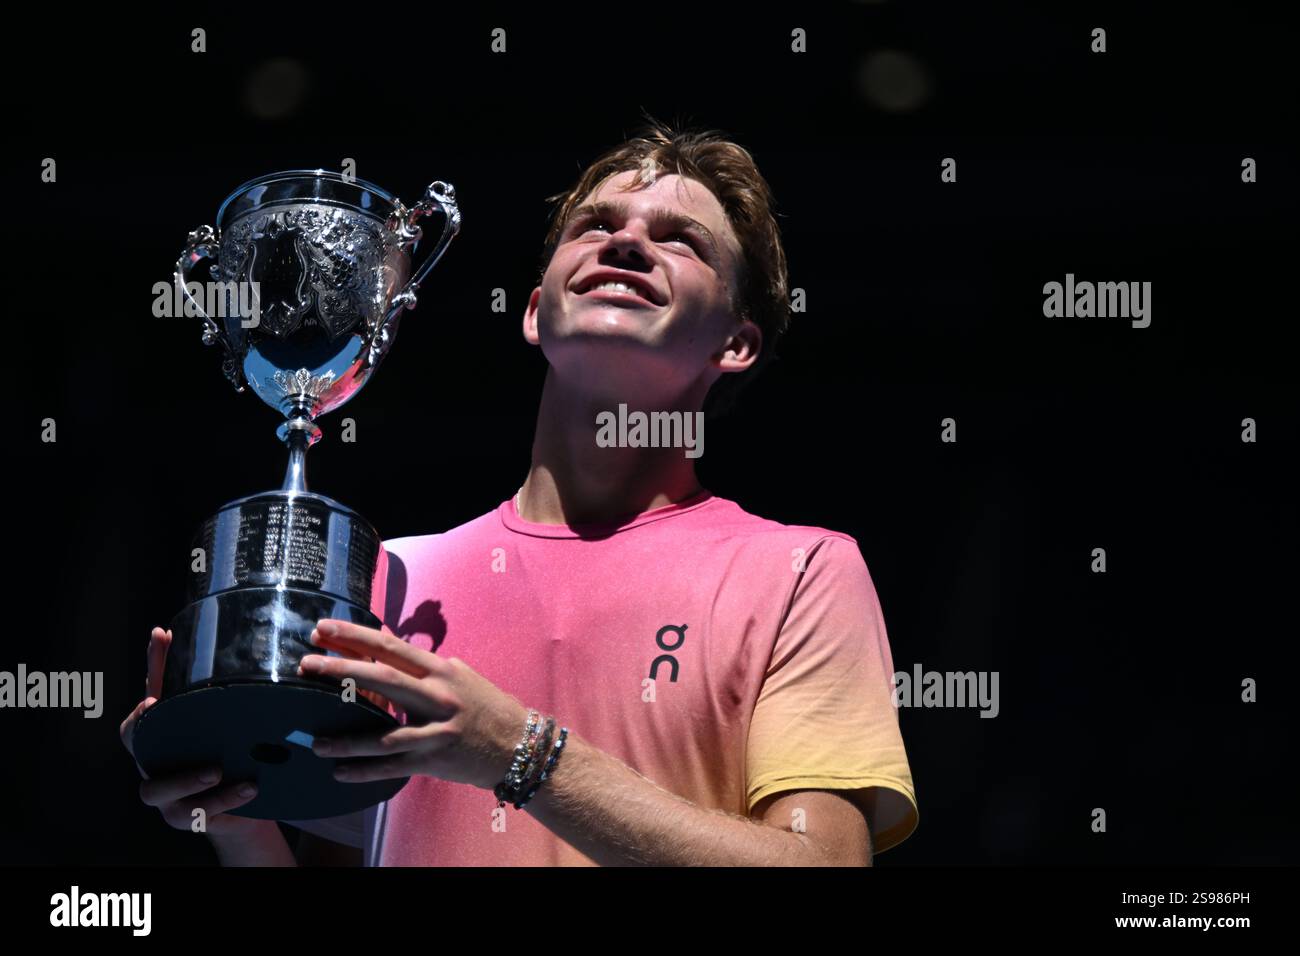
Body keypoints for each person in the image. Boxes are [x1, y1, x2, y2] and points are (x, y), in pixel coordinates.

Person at [120, 117, 919, 866]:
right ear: (537, 311)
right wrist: (236, 821)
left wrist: (521, 753)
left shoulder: (800, 571)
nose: (629, 242)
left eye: (681, 241)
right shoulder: (390, 579)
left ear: (737, 342)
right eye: (597, 226)